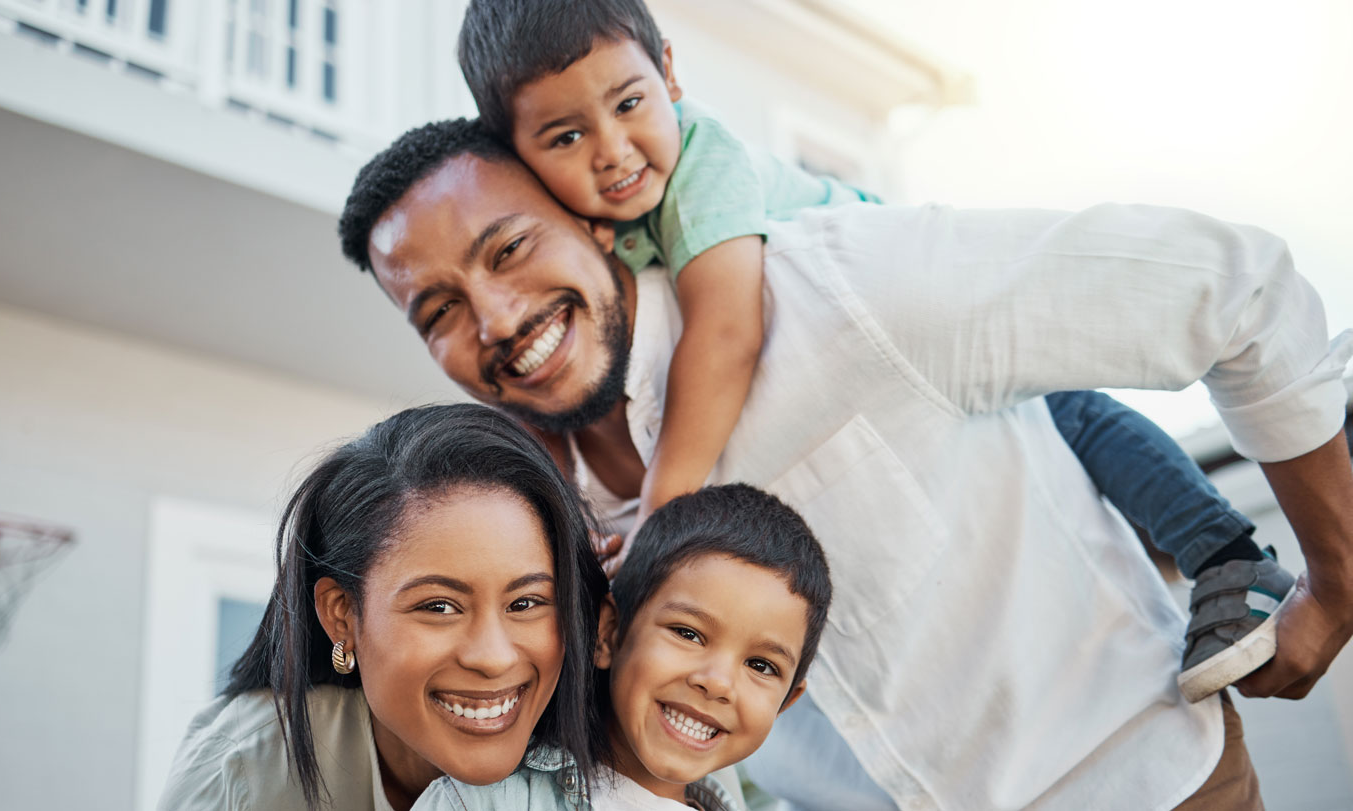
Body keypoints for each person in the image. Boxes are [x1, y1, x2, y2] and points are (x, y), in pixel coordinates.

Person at [335, 119, 1353, 809]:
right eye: (440, 309)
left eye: (510, 249)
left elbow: (1236, 291)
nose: (498, 319)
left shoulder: (841, 289)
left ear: (594, 214)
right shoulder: (546, 527)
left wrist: (1336, 584)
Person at [454, 0, 1288, 704]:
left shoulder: (705, 160)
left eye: (630, 102)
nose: (611, 148)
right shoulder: (595, 225)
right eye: (564, 138)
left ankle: (1227, 554)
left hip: (917, 305)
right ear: (519, 158)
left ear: (671, 74)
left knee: (1074, 412)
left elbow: (726, 328)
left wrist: (666, 502)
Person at [156, 404, 610, 811]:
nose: (493, 658)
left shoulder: (617, 768)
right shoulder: (242, 768)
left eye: (526, 602)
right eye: (439, 606)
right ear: (342, 615)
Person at [414, 484, 833, 811]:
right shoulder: (483, 802)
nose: (717, 682)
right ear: (609, 633)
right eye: (688, 633)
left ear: (788, 700)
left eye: (761, 665)